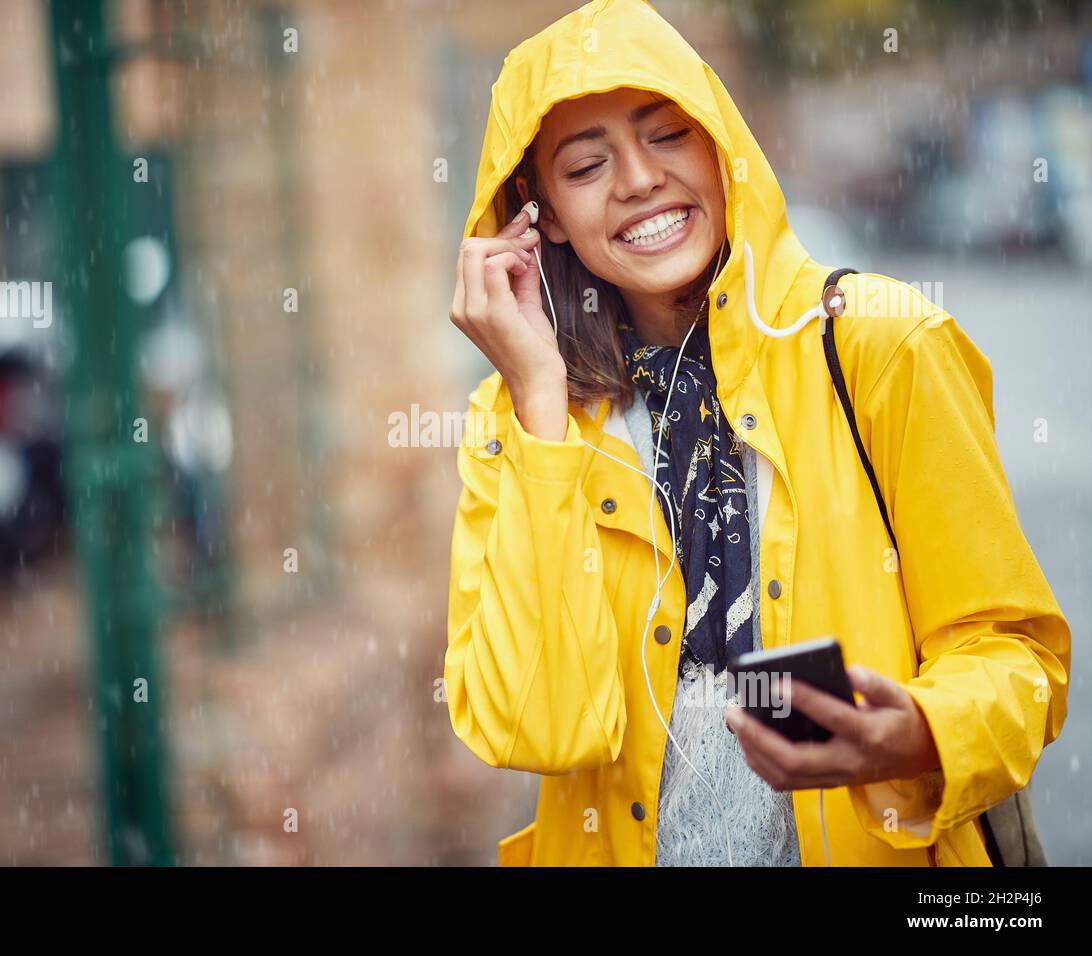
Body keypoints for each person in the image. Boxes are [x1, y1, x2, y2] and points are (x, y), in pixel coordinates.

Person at [444, 0, 1070, 866]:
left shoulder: (881, 347)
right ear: (536, 214)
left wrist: (919, 735)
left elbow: (1016, 660)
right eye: (585, 166)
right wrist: (539, 403)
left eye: (668, 136)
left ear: (720, 145)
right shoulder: (516, 421)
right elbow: (540, 726)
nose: (637, 179)